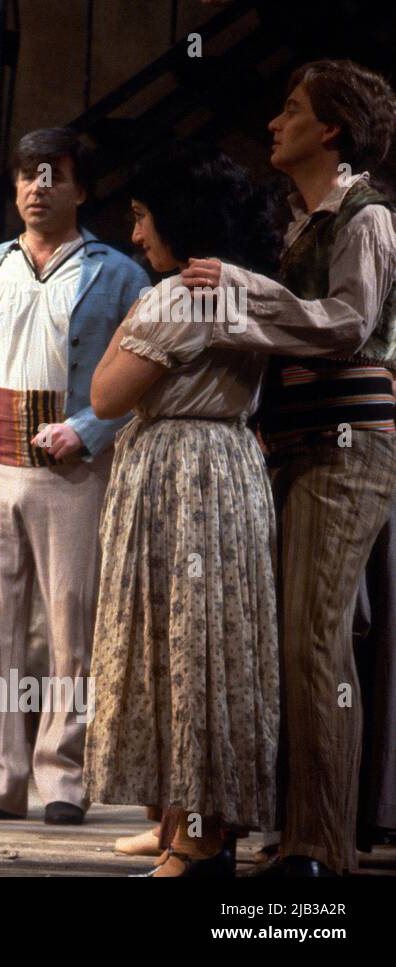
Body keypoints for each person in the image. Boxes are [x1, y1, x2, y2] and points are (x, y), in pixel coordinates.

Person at [173, 60, 396, 877]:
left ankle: (319, 846)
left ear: (330, 129)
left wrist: (243, 296)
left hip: (349, 441)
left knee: (313, 640)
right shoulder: (305, 222)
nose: (276, 122)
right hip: (299, 438)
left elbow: (346, 324)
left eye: (292, 110)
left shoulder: (365, 218)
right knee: (293, 640)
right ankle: (295, 830)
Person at [0, 129, 149, 826]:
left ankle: (65, 775)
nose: (38, 187)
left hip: (72, 464)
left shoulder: (117, 273)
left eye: (53, 175)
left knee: (70, 625)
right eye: (28, 174)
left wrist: (87, 429)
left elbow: (147, 377)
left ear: (80, 190)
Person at [86, 142, 282, 876]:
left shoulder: (180, 295)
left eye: (142, 218)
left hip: (183, 475)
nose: (136, 236)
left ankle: (197, 840)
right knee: (209, 646)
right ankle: (192, 823)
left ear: (182, 219)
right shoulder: (242, 288)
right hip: (224, 469)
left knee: (188, 647)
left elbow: (106, 394)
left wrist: (135, 315)